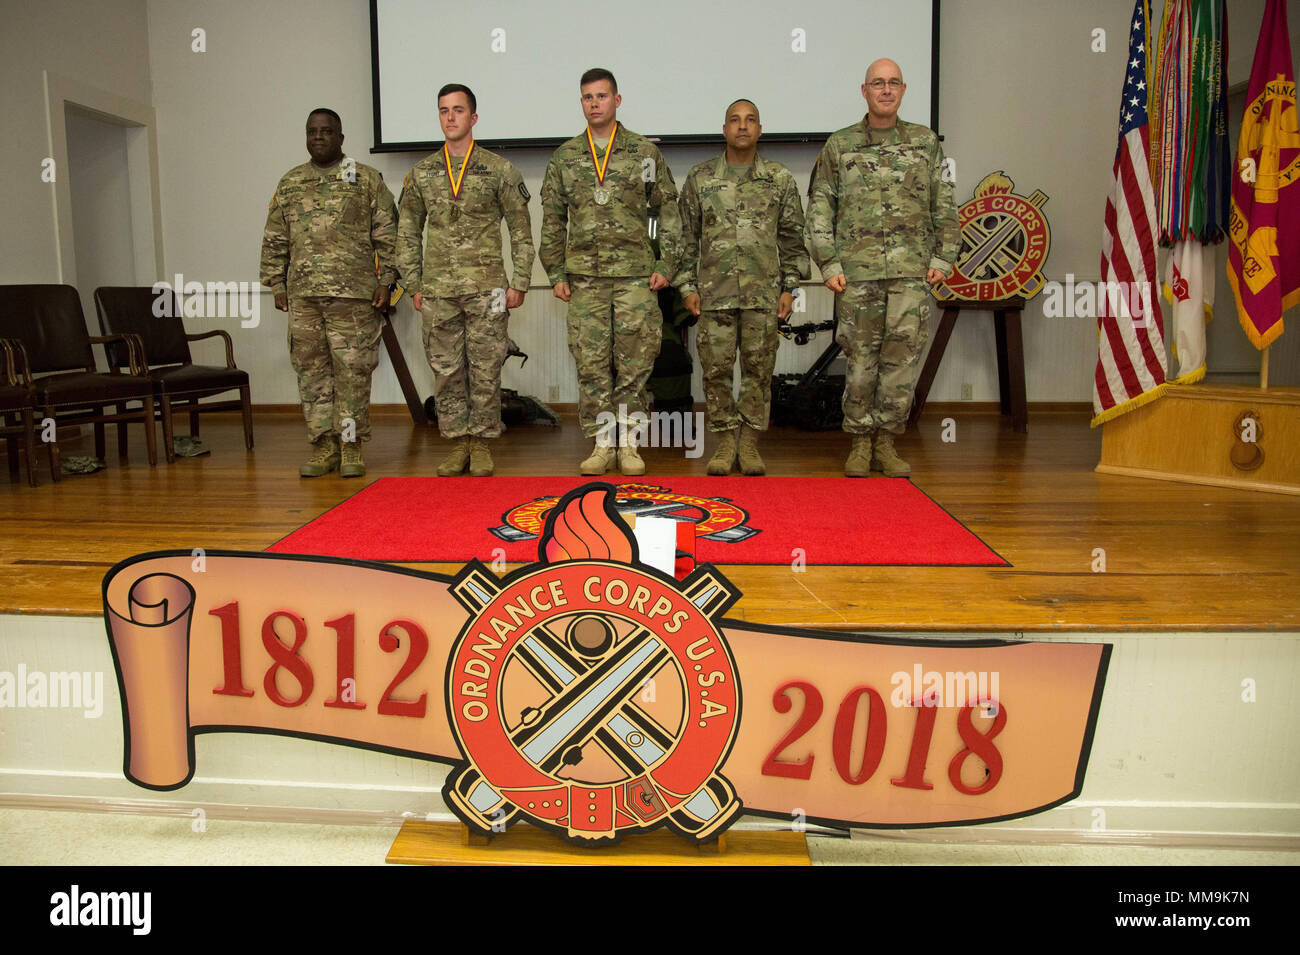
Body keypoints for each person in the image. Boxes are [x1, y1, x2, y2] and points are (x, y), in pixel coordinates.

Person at [805, 59, 959, 477]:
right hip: (856, 275)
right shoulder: (841, 145)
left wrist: (944, 258)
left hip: (911, 273)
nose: (886, 90)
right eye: (878, 83)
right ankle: (858, 443)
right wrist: (828, 261)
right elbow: (820, 206)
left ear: (904, 90)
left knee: (901, 361)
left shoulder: (925, 144)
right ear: (864, 90)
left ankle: (887, 442)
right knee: (858, 361)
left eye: (893, 83)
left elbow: (943, 203)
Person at [540, 67, 683, 475]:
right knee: (591, 363)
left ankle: (631, 443)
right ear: (581, 102)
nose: (595, 104)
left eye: (602, 96)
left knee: (636, 361)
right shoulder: (566, 157)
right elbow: (552, 218)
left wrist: (666, 264)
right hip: (584, 278)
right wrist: (556, 272)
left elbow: (668, 209)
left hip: (636, 277)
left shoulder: (643, 154)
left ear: (617, 101)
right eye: (587, 97)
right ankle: (603, 443)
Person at [397, 84, 535, 477]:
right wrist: (413, 284)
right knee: (447, 372)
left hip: (488, 290)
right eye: (444, 110)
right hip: (439, 292)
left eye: (458, 110)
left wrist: (520, 281)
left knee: (486, 370)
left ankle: (483, 443)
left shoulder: (499, 170)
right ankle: (458, 444)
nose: (451, 117)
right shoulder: (421, 174)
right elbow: (406, 233)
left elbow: (521, 231)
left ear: (473, 118)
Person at [260, 108, 397, 478]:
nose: (318, 137)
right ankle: (324, 446)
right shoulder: (290, 182)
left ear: (341, 136)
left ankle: (351, 447)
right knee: (311, 372)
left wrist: (386, 281)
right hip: (303, 297)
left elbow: (388, 234)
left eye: (326, 131)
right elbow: (275, 237)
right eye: (312, 131)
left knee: (352, 372)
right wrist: (276, 281)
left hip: (353, 296)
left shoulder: (365, 179)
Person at [677, 98, 808, 475]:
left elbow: (792, 239)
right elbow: (685, 239)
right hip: (713, 296)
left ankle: (749, 443)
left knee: (758, 370)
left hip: (763, 296)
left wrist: (790, 288)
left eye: (750, 120)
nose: (742, 126)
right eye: (734, 120)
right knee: (716, 371)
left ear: (760, 130)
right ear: (724, 130)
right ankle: (724, 443)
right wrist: (687, 286)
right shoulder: (701, 179)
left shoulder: (779, 179)